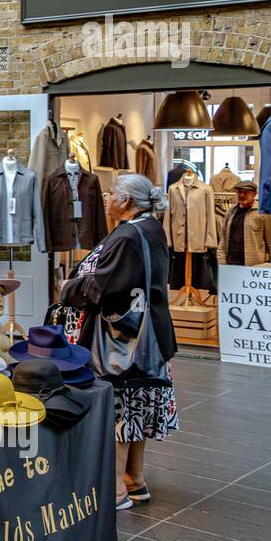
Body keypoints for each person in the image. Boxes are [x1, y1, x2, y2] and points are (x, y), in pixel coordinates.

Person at [59, 172, 178, 511]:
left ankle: (115, 492)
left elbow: (108, 287)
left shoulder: (127, 235)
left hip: (124, 341)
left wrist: (69, 288)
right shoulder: (151, 228)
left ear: (126, 201)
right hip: (151, 337)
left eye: (112, 193)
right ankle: (135, 480)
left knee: (119, 411)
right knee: (137, 408)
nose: (107, 197)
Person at [217, 180, 270, 267]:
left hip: (254, 266)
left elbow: (270, 241)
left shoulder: (262, 213)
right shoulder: (230, 212)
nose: (242, 195)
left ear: (254, 194)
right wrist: (221, 259)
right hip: (230, 263)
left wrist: (269, 265)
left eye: (245, 192)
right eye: (239, 192)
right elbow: (223, 238)